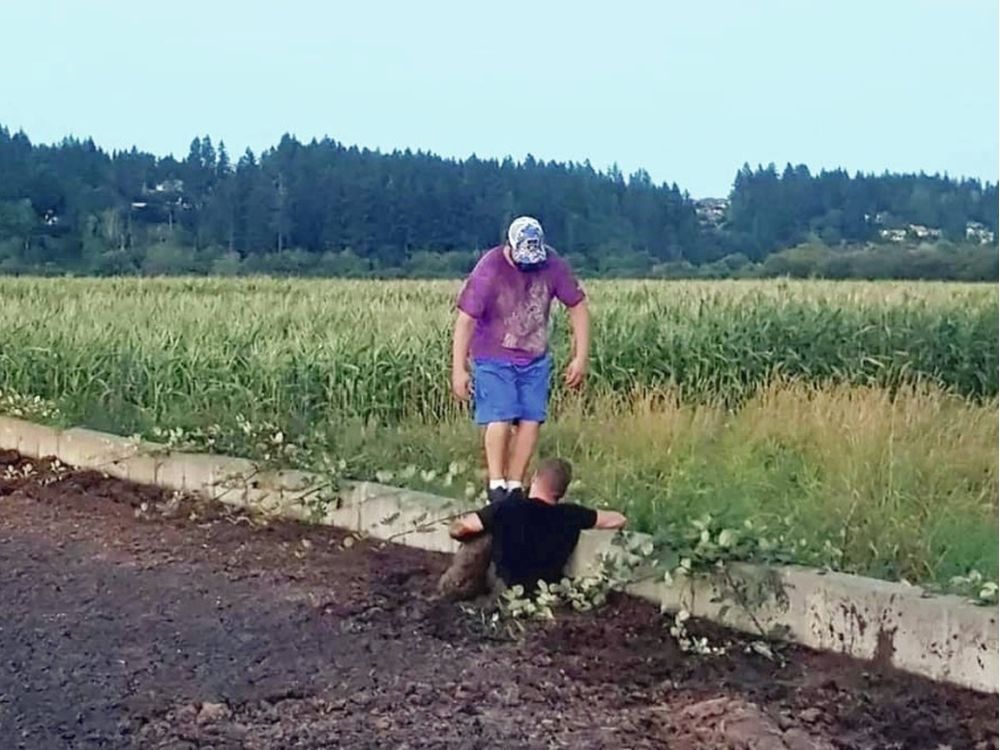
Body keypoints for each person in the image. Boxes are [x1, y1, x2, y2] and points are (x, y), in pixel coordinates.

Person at [451, 216, 590, 504]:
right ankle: (496, 483)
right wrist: (459, 369)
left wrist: (580, 357)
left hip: (534, 357)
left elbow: (577, 306)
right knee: (500, 416)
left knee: (531, 419)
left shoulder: (553, 264)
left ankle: (515, 484)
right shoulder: (489, 269)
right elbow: (465, 321)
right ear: (510, 247)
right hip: (493, 355)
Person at [438, 458, 626, 599]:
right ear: (563, 491)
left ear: (535, 478)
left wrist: (459, 526)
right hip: (543, 591)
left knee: (482, 534)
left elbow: (460, 529)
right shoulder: (572, 515)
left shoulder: (508, 507)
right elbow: (617, 519)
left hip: (503, 587)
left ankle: (455, 587)